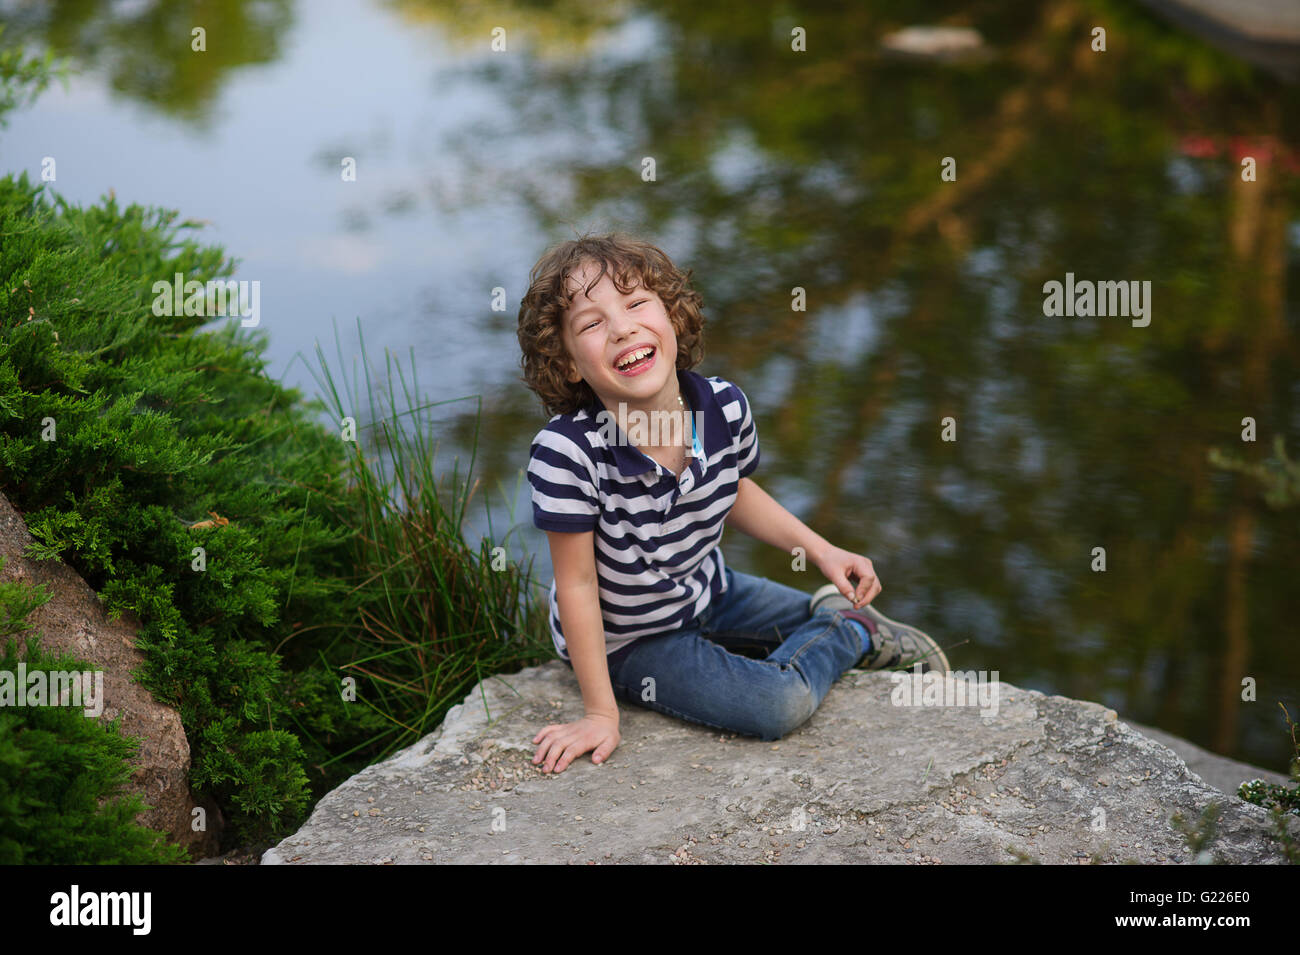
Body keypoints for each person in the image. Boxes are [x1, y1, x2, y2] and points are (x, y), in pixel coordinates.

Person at [517, 232, 950, 775]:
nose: (622, 327)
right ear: (570, 364)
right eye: (591, 323)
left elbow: (736, 490)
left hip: (711, 588)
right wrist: (601, 713)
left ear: (672, 318)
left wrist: (822, 550)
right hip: (631, 639)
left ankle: (838, 620)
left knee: (806, 613)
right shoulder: (569, 453)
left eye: (635, 304)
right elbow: (577, 584)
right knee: (778, 704)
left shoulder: (723, 406)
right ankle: (855, 632)